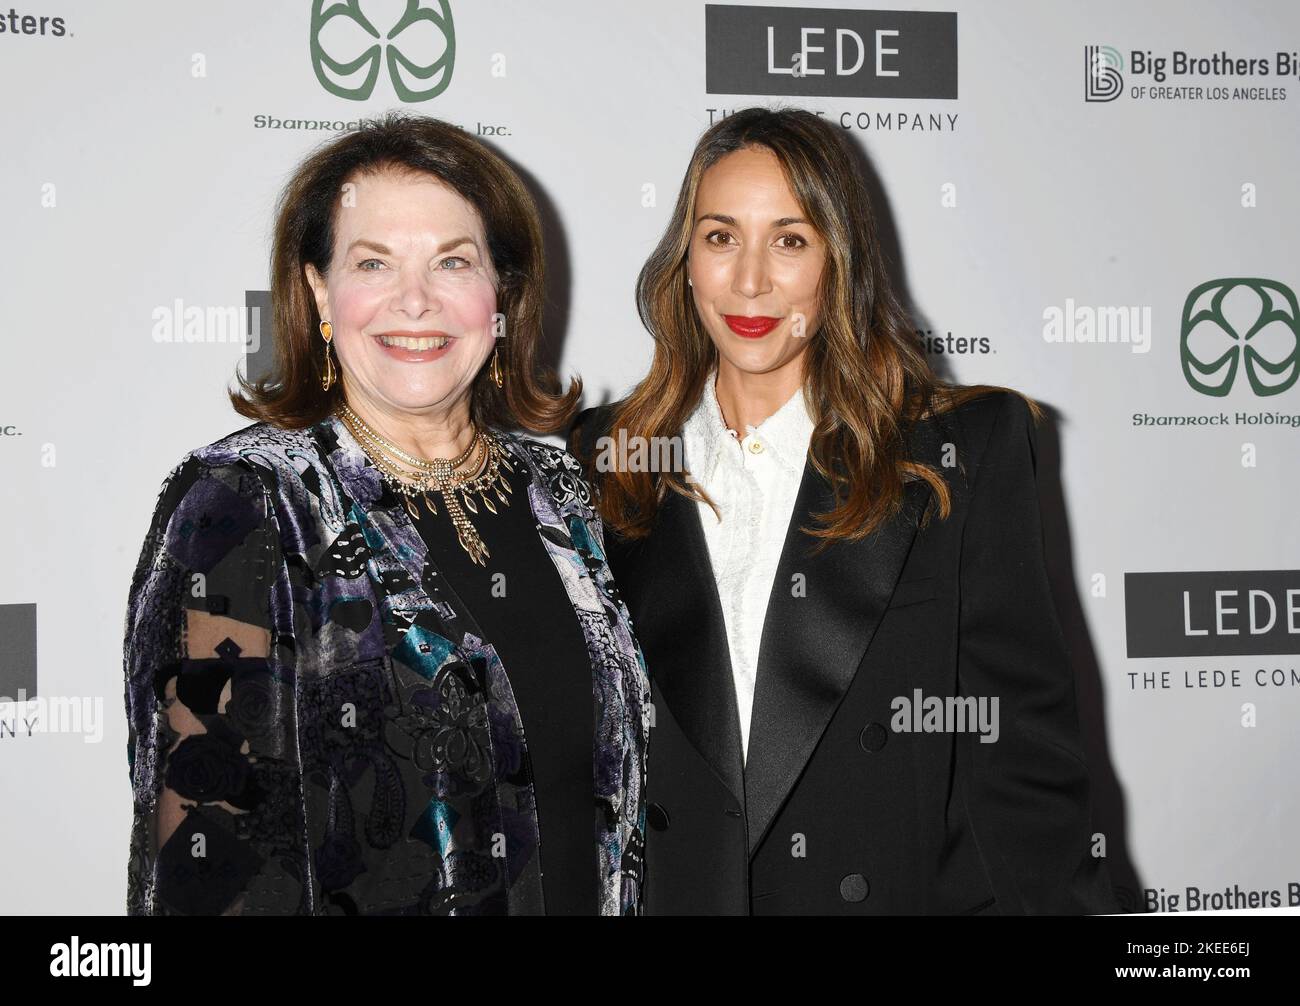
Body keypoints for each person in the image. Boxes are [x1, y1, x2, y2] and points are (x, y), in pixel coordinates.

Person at [568, 106, 1119, 915]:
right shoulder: (603, 459)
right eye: (721, 238)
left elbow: (1019, 761)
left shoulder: (956, 452)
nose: (750, 280)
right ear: (685, 262)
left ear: (839, 259)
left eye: (790, 240)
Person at [123, 111, 650, 916]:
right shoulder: (245, 504)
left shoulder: (561, 490)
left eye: (452, 261)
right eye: (374, 262)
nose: (415, 300)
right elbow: (208, 865)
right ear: (317, 289)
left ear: (501, 292)